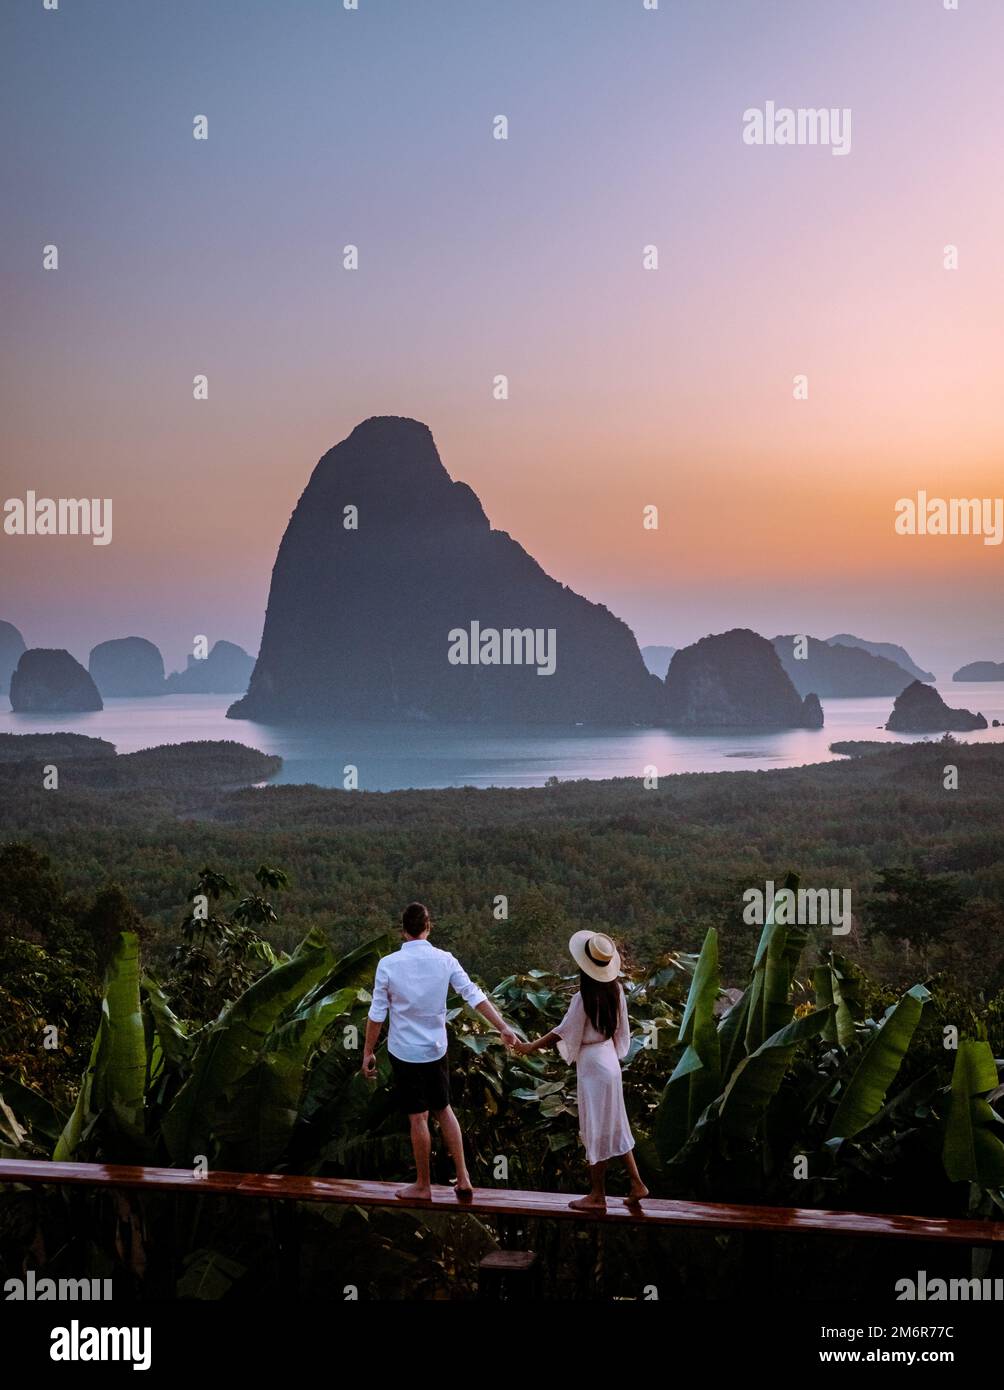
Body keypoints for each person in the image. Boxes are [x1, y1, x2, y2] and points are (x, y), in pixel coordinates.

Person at [362, 902, 516, 1201]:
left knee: (418, 1118)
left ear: (403, 929)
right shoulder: (444, 960)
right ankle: (463, 1176)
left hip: (404, 1052)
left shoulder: (389, 964)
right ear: (428, 926)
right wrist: (503, 1027)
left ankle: (423, 1185)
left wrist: (368, 1051)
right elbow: (473, 994)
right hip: (436, 1050)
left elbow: (377, 1013)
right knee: (444, 1110)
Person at [514, 930, 648, 1211]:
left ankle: (597, 1195)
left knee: (595, 1126)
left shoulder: (583, 998)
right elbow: (622, 1030)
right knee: (615, 1123)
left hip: (593, 1065)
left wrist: (529, 1047)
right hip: (609, 1059)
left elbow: (562, 1032)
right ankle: (636, 1182)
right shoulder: (616, 991)